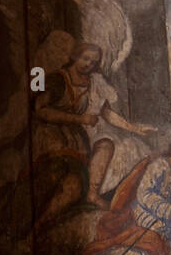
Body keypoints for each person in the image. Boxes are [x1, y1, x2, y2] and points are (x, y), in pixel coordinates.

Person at [32, 42, 155, 230]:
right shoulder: (57, 79)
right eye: (85, 58)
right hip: (53, 134)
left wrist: (134, 128)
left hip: (80, 135)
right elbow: (40, 110)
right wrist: (79, 118)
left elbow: (106, 112)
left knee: (106, 143)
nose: (89, 64)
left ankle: (92, 194)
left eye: (93, 61)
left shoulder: (95, 82)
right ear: (75, 56)